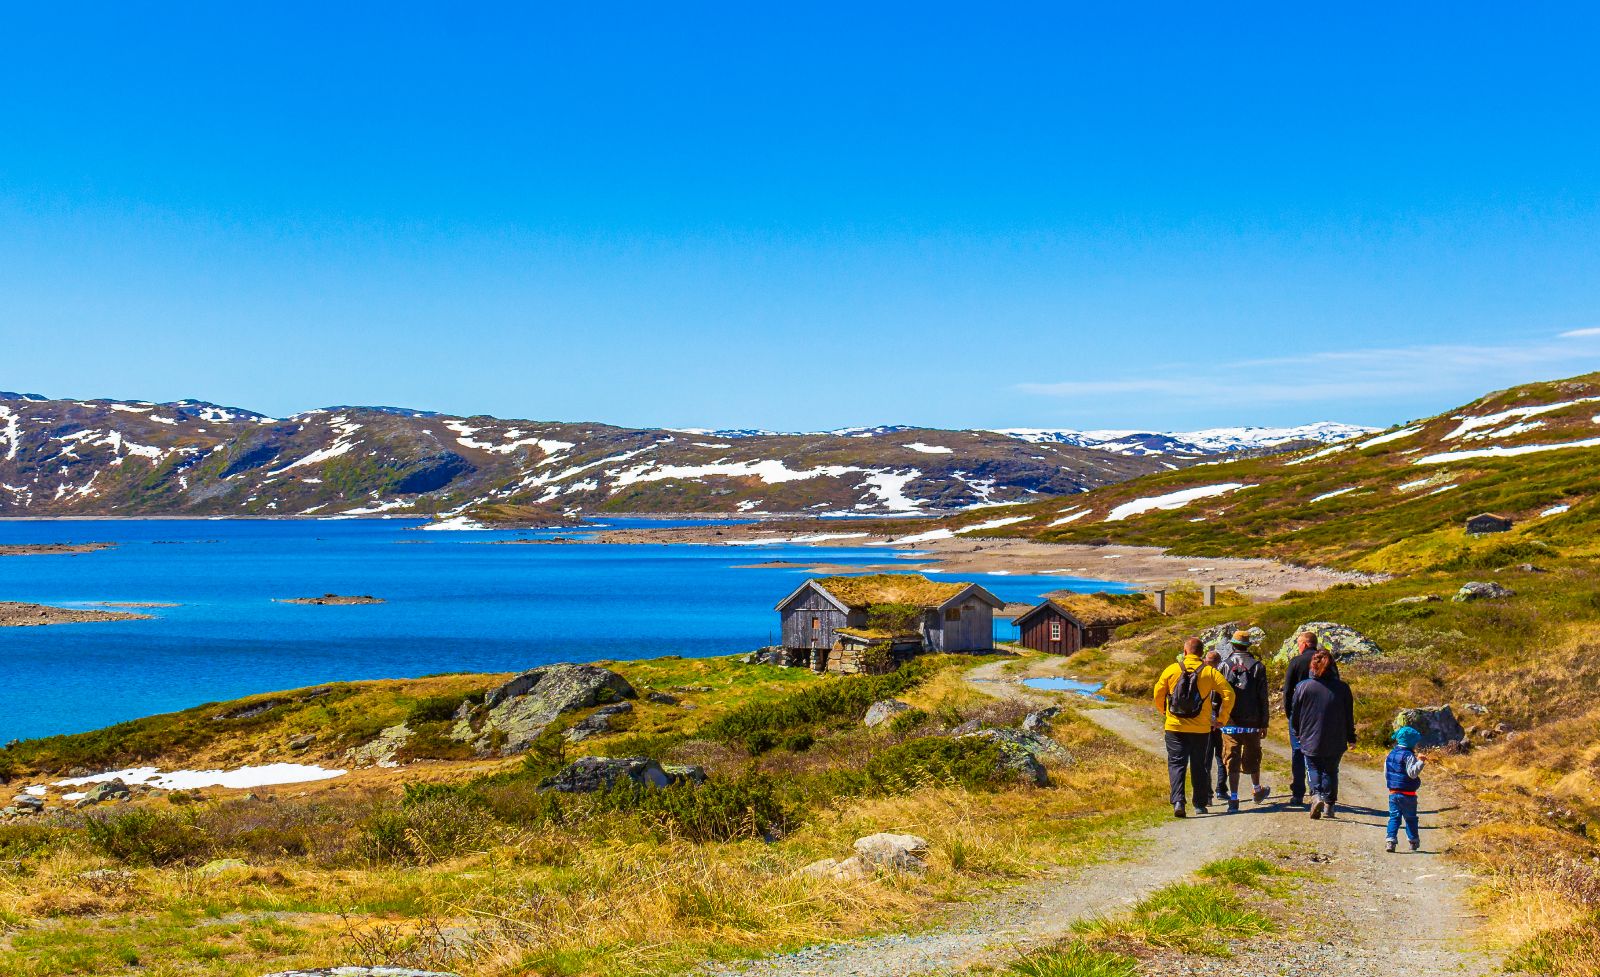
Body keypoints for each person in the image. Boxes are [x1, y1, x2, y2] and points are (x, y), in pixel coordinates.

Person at [1153, 636, 1236, 818]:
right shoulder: (1209, 672)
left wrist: (1165, 712)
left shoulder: (1172, 670)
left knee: (1176, 763)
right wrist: (1222, 718)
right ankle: (1199, 804)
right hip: (1201, 728)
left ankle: (1178, 801)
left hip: (1175, 726)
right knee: (1199, 765)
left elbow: (1158, 692)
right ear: (1201, 653)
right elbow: (1229, 694)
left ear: (1185, 652)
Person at [1290, 648, 1356, 819]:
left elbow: (1295, 714)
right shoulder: (1343, 688)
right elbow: (1349, 715)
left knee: (1313, 767)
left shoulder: (1303, 687)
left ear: (1312, 666)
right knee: (1331, 770)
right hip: (1336, 737)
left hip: (1310, 736)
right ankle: (1330, 805)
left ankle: (1316, 795)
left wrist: (1297, 732)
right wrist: (1351, 737)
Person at [1282, 630, 1339, 806]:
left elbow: (1287, 691)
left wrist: (1290, 715)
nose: (1298, 647)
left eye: (1298, 643)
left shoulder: (1296, 661)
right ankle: (1322, 791)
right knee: (1323, 753)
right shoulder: (1328, 660)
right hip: (1325, 715)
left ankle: (1298, 793)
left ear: (1305, 644)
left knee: (1298, 752)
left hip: (1300, 715)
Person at [1218, 630, 1271, 812]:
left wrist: (1220, 718)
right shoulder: (1258, 666)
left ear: (1232, 645)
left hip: (1230, 723)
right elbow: (1263, 697)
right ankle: (1256, 789)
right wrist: (1264, 722)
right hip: (1252, 723)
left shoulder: (1223, 666)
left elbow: (1217, 695)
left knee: (1232, 758)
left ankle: (1233, 798)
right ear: (1248, 646)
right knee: (1253, 756)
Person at [1386, 726, 1427, 852]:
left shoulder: (1391, 754)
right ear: (1410, 742)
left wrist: (1391, 785)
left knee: (1394, 817)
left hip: (1393, 792)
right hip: (1408, 794)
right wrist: (1420, 762)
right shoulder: (1408, 755)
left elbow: (1386, 772)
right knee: (1410, 818)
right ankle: (1413, 841)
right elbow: (1412, 773)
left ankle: (1390, 841)